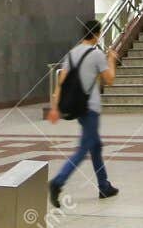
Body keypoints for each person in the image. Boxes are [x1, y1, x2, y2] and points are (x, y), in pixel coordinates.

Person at [46, 19, 120, 208]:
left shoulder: (72, 54)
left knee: (95, 146)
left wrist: (55, 107)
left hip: (78, 107)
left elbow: (61, 82)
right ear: (96, 34)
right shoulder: (96, 54)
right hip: (90, 108)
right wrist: (111, 58)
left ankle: (104, 185)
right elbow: (109, 79)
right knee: (84, 148)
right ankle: (58, 181)